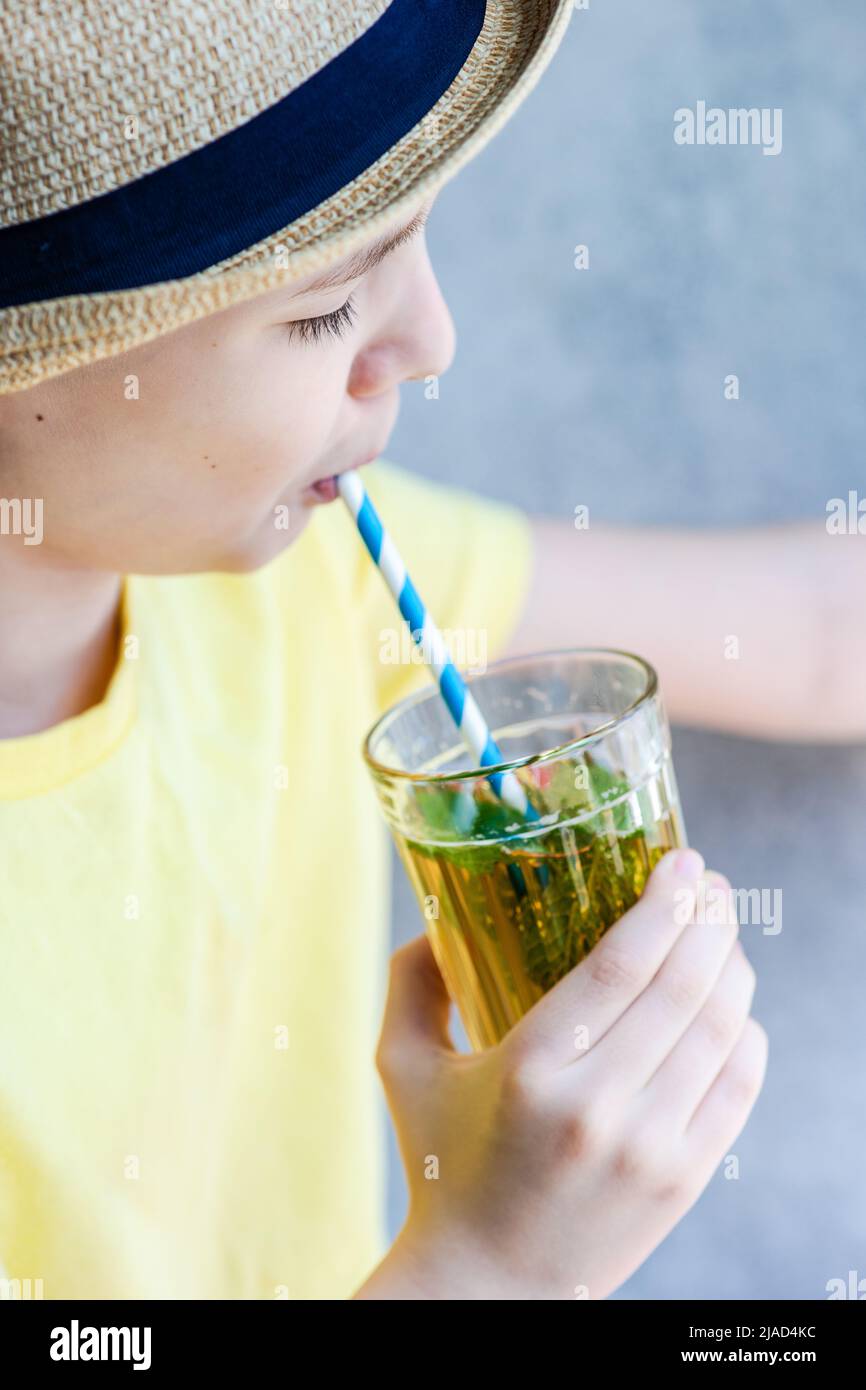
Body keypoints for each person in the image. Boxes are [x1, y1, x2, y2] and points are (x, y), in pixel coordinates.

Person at [0, 1, 859, 1301]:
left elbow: (814, 636)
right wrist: (493, 1263)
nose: (430, 340)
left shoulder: (302, 577)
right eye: (326, 307)